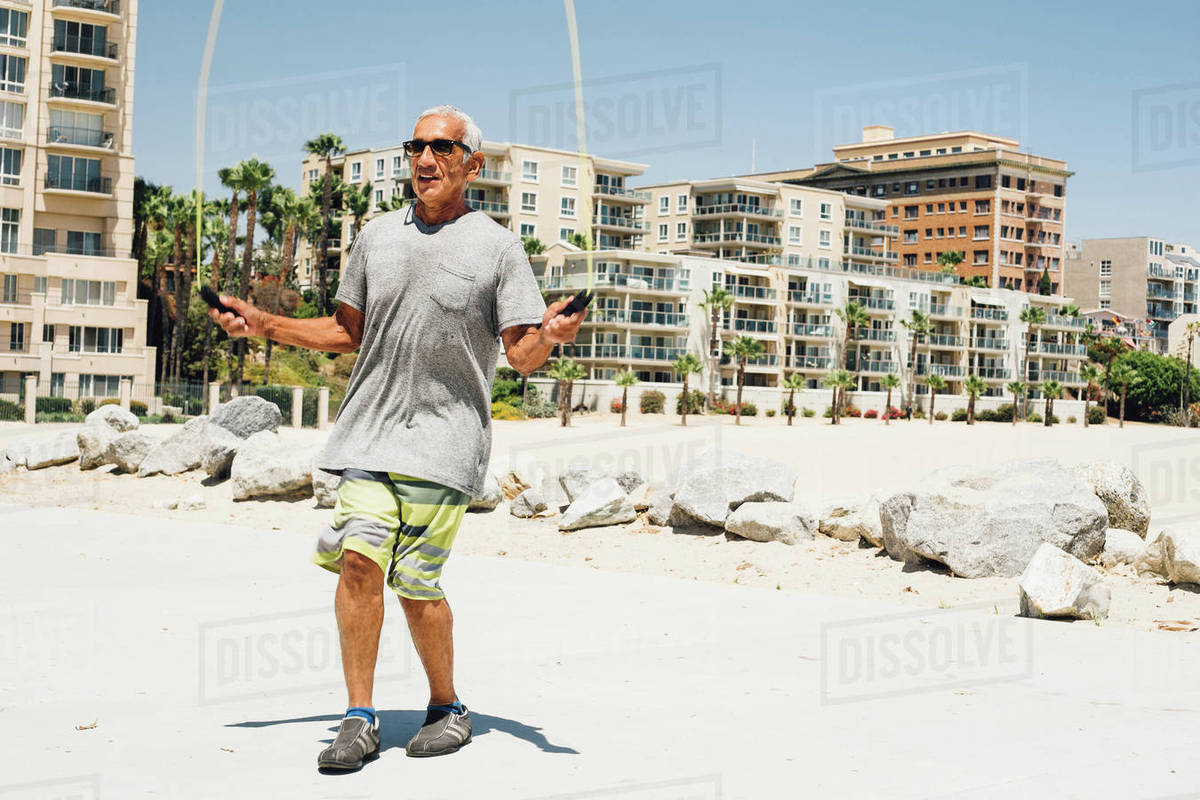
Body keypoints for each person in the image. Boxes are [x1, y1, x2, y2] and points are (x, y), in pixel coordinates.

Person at [208, 105, 586, 770]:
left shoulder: (497, 247)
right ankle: (359, 716)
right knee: (358, 562)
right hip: (370, 433)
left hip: (447, 440)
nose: (425, 158)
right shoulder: (376, 238)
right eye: (417, 145)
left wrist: (549, 338)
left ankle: (448, 705)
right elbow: (345, 331)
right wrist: (262, 322)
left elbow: (521, 355)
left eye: (442, 147)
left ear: (473, 163)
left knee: (415, 584)